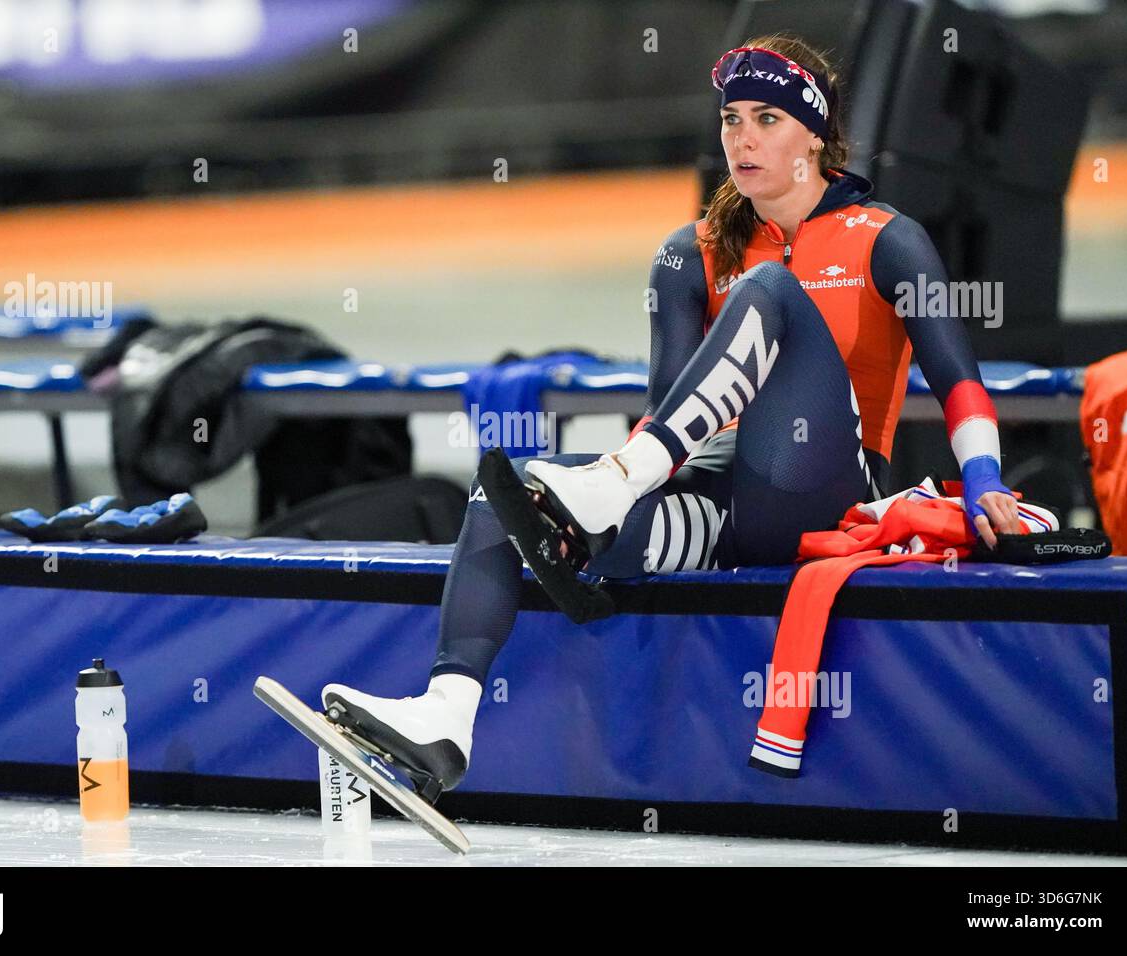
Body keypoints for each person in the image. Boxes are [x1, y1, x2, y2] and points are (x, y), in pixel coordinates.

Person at [319, 34, 1021, 802]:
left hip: (825, 498)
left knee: (772, 292)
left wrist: (984, 477)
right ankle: (447, 715)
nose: (742, 139)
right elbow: (670, 415)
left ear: (814, 135)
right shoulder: (688, 255)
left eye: (766, 119)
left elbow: (960, 383)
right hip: (720, 512)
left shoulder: (886, 237)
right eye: (730, 120)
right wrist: (586, 502)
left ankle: (610, 490)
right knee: (513, 488)